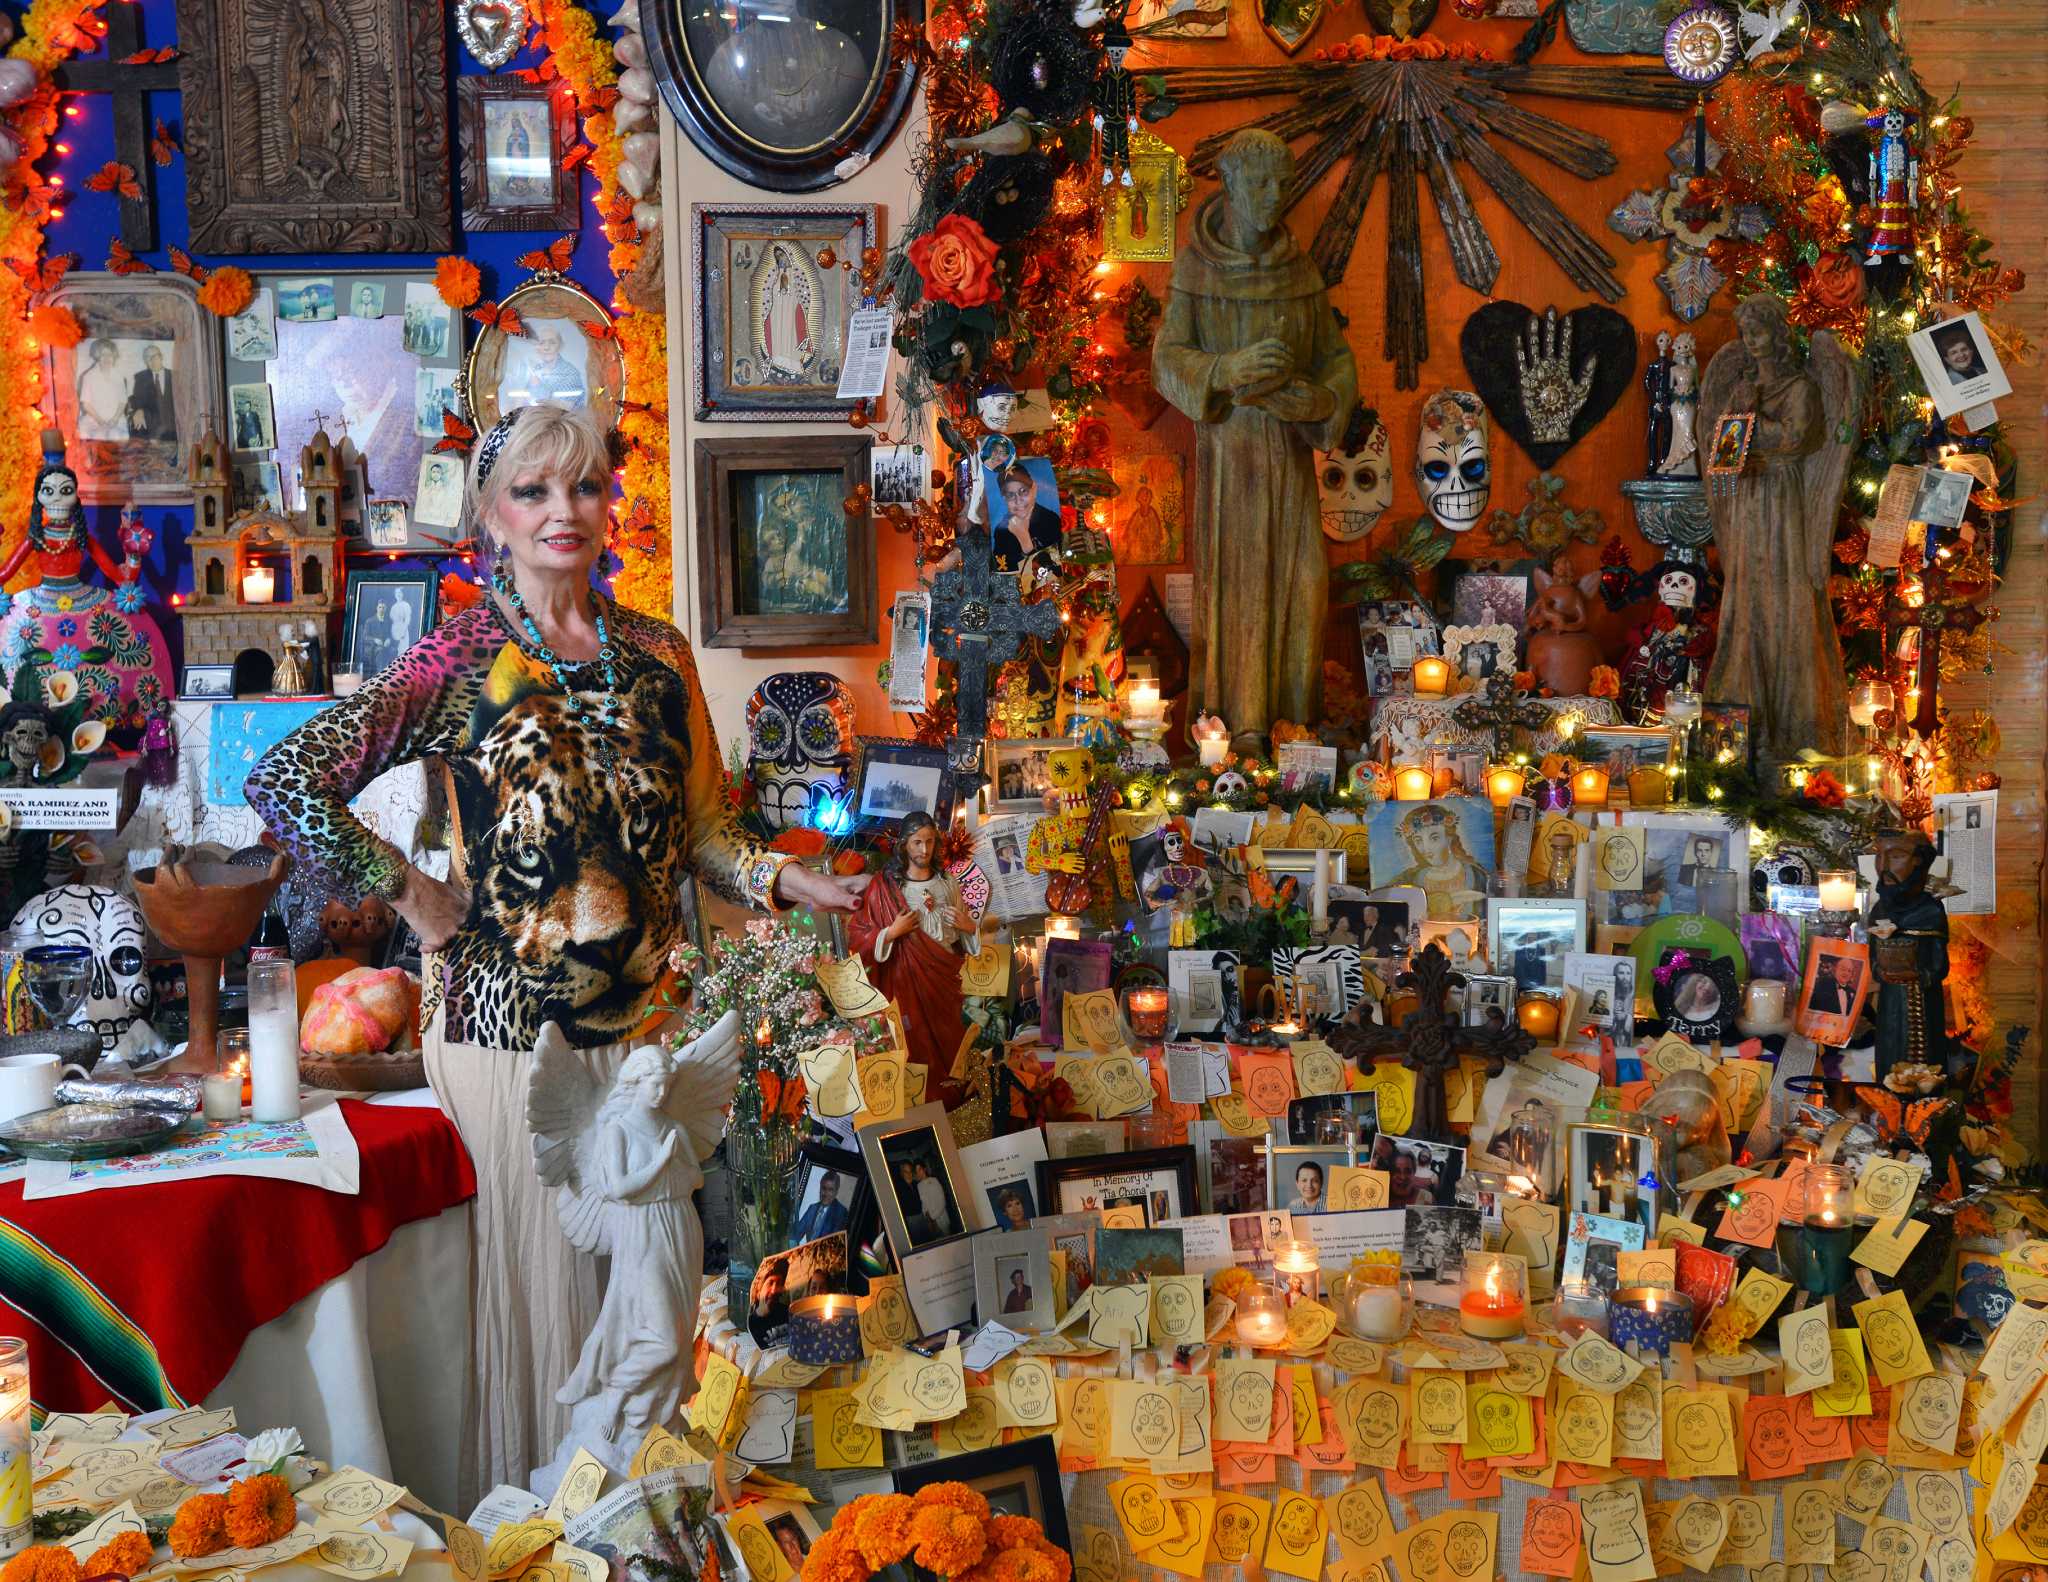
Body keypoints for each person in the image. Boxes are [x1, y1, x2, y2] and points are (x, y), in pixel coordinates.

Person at [244, 404, 863, 1506]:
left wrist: (785, 877)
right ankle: (548, 1538)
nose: (560, 512)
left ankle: (647, 1531)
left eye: (580, 487)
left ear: (608, 501)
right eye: (531, 492)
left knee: (653, 1310)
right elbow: (286, 777)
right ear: (490, 514)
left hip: (648, 1028)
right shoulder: (461, 655)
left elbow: (708, 826)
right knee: (564, 1316)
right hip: (508, 1030)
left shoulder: (660, 652)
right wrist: (411, 890)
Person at [1152, 129, 1357, 743]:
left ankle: (1295, 734)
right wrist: (1224, 370)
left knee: (1305, 589)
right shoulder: (1195, 267)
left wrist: (1317, 399)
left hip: (1291, 457)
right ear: (1233, 184)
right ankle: (1234, 735)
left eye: (1284, 185)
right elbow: (1166, 361)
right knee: (1238, 593)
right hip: (1230, 459)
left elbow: (1336, 362)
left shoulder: (1300, 269)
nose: (1275, 196)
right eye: (1262, 183)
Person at [846, 810, 979, 1075]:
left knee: (950, 1038)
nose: (924, 849)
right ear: (904, 844)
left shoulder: (947, 883)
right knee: (914, 1043)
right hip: (905, 980)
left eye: (929, 841)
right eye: (917, 842)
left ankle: (952, 1097)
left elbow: (964, 930)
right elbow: (858, 935)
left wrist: (968, 926)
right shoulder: (885, 886)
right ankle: (920, 1100)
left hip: (944, 979)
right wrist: (892, 932)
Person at [1386, 803, 1490, 920]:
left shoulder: (1477, 876)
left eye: (1434, 838)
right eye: (1418, 841)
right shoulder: (1408, 878)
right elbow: (1388, 908)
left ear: (1449, 838)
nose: (1426, 849)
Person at [991, 466, 1063, 571]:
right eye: (1010, 495)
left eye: (1023, 491)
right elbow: (1003, 571)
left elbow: (1055, 573)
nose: (1018, 500)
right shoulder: (1001, 531)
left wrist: (1024, 539)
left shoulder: (1051, 520)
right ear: (1004, 499)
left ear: (1033, 489)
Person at [76, 340, 128, 442]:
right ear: (98, 357)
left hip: (116, 418)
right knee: (98, 436)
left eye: (110, 355)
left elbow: (123, 401)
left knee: (116, 436)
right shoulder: (88, 376)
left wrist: (115, 419)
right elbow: (86, 404)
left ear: (114, 357)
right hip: (94, 419)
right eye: (103, 354)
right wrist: (100, 421)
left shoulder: (119, 376)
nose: (107, 358)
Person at [126, 346, 174, 443]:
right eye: (147, 359)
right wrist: (139, 410)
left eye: (153, 357)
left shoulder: (174, 376)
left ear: (161, 357)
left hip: (174, 429)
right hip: (152, 428)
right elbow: (137, 401)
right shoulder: (140, 378)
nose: (150, 361)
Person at [789, 1172, 849, 1245]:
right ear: (820, 1188)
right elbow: (795, 1235)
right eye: (824, 1188)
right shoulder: (812, 1208)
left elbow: (835, 1244)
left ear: (836, 1192)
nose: (826, 1194)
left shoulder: (841, 1212)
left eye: (830, 1190)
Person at [915, 1160, 952, 1239]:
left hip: (941, 1218)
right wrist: (927, 1218)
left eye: (920, 1169)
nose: (918, 1172)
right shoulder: (919, 1186)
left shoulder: (934, 1180)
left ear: (924, 1169)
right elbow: (923, 1203)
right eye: (916, 1171)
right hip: (930, 1223)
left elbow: (942, 1201)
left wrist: (933, 1218)